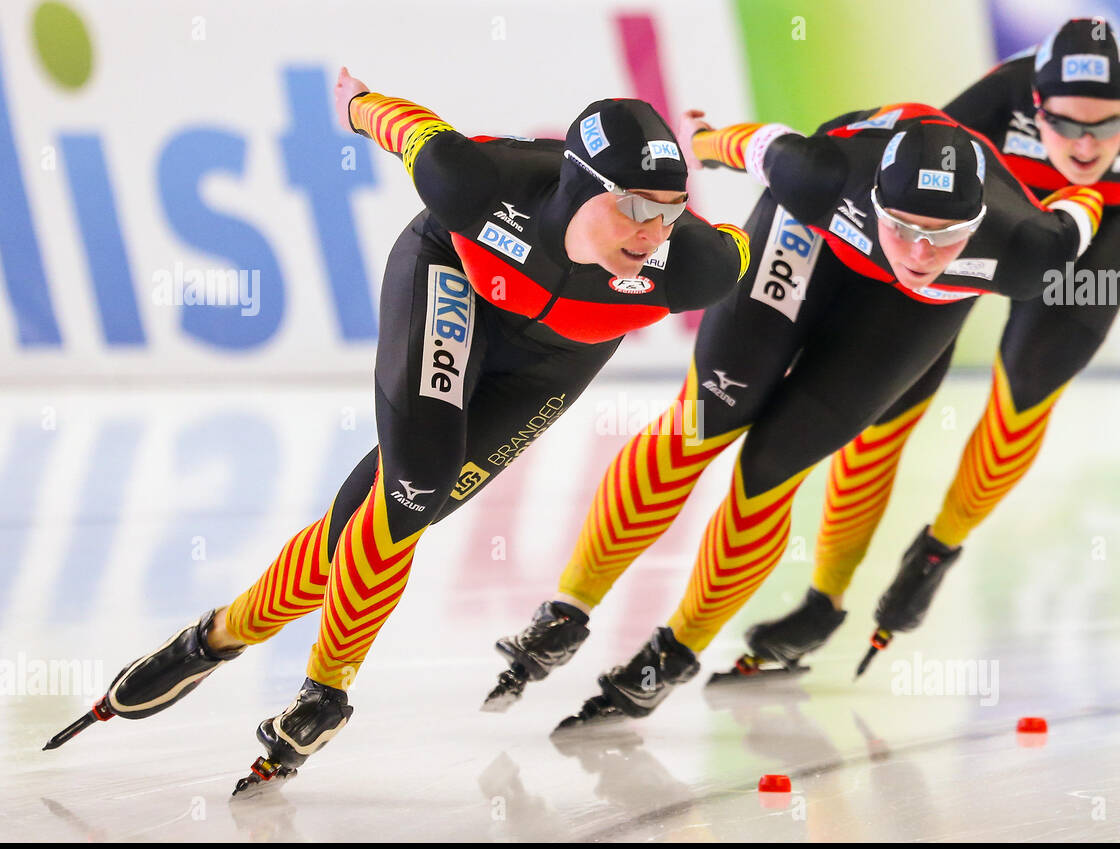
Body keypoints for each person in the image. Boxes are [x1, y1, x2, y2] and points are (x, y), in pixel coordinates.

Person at [44, 67, 750, 790]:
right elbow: (409, 130)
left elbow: (736, 244)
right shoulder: (477, 185)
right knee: (414, 487)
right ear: (579, 186)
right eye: (636, 206)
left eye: (671, 210)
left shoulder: (692, 265)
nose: (652, 231)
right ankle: (325, 692)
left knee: (374, 518)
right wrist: (355, 104)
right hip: (452, 280)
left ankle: (215, 637)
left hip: (551, 364)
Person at [483, 95, 1106, 726]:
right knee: (704, 419)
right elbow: (746, 142)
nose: (920, 254)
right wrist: (705, 140)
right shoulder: (820, 172)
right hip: (807, 234)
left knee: (773, 467)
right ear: (876, 205)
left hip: (913, 311)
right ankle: (568, 608)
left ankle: (674, 654)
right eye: (905, 228)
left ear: (976, 224)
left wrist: (1077, 182)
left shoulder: (1027, 246)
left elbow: (1085, 204)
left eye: (945, 237)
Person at [740, 18, 1120, 678]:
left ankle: (935, 553)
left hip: (1103, 226)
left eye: (1105, 128)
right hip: (979, 228)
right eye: (1065, 125)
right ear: (1033, 107)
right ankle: (823, 599)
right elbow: (896, 180)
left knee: (1028, 387)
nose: (1085, 148)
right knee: (886, 398)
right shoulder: (989, 104)